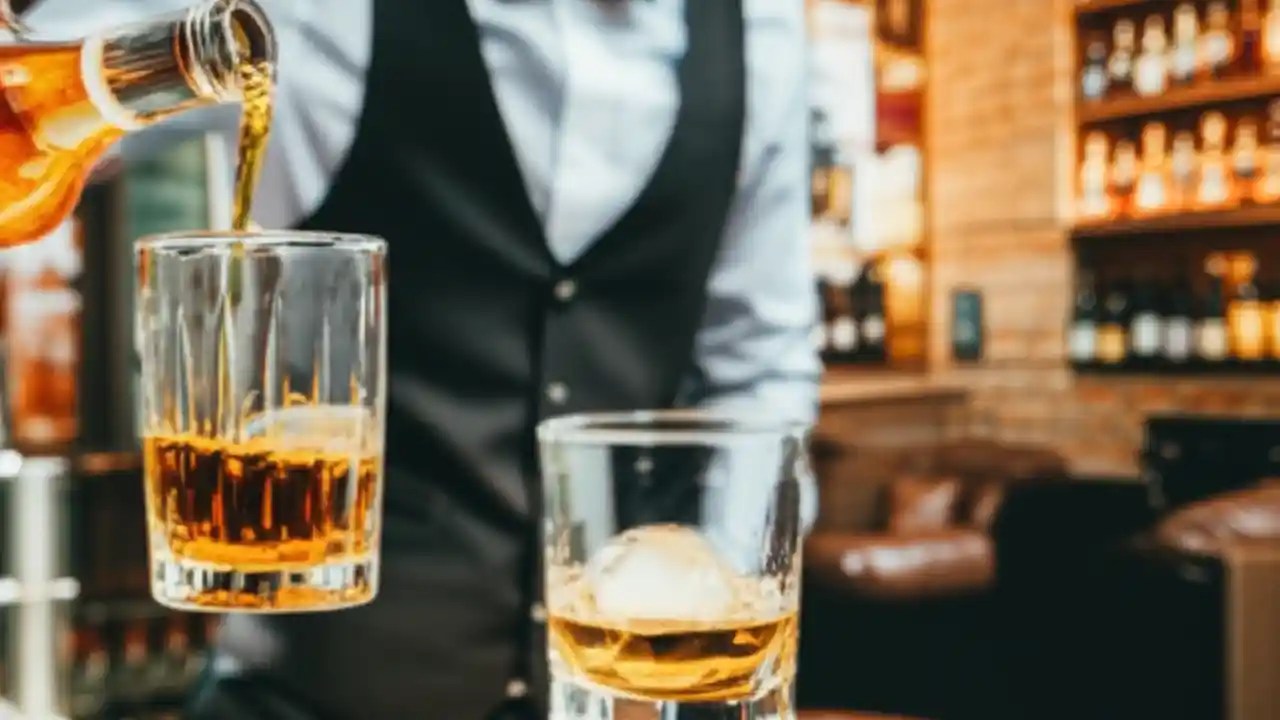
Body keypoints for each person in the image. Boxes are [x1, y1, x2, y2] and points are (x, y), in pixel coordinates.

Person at [28, 0, 821, 717]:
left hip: (608, 696)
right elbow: (64, 75)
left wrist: (714, 625)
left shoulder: (763, 31)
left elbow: (759, 362)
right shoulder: (312, 13)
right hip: (316, 693)